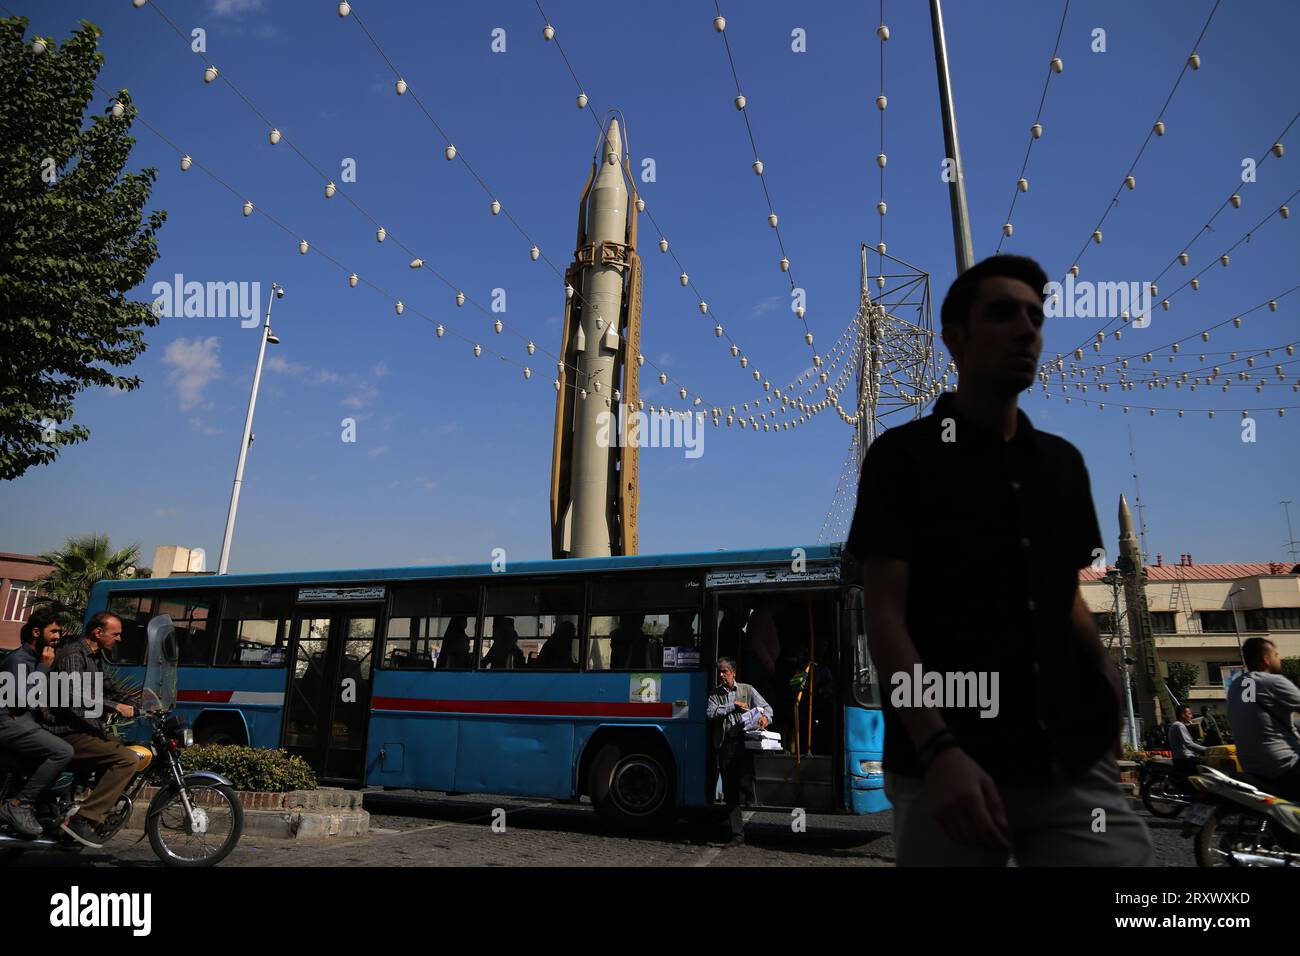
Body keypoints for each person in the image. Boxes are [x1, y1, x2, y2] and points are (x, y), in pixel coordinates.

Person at [847, 254, 1153, 866]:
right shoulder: (901, 459)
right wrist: (937, 752)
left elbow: (1066, 601)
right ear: (954, 339)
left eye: (1036, 318)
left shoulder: (1061, 465)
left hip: (1071, 762)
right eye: (1003, 313)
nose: (1026, 330)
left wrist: (1107, 690)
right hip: (955, 768)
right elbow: (885, 618)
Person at [45, 611, 142, 849]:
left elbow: (108, 689)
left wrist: (143, 703)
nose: (119, 639)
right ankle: (83, 817)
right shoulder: (73, 654)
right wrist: (115, 706)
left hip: (84, 726)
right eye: (115, 634)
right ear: (98, 633)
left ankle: (84, 806)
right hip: (66, 729)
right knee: (126, 760)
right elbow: (72, 695)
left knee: (125, 749)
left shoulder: (94, 657)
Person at [0, 608, 75, 838]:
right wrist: (43, 667)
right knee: (63, 752)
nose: (57, 636)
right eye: (53, 631)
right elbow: (20, 702)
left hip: (23, 720)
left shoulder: (38, 660)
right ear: (36, 632)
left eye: (60, 631)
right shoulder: (18, 660)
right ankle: (20, 804)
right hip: (7, 721)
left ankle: (48, 808)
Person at [707, 657, 773, 844]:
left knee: (744, 780)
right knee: (730, 790)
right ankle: (737, 835)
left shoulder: (747, 690)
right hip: (725, 744)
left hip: (745, 744)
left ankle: (749, 795)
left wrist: (765, 719)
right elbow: (710, 713)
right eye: (719, 671)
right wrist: (732, 706)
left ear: (733, 673)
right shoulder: (715, 694)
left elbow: (767, 708)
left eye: (725, 671)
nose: (721, 675)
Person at [1226, 637, 1300, 800]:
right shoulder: (1273, 682)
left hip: (1250, 764)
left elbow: (1254, 716)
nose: (1278, 658)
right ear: (1266, 660)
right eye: (1276, 655)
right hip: (1283, 764)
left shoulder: (1239, 684)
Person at [1168, 705, 1207, 776]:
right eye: (1189, 714)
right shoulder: (1179, 725)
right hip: (1184, 760)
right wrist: (1208, 750)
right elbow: (1189, 744)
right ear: (1182, 715)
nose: (1191, 716)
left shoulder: (1176, 725)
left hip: (1182, 759)